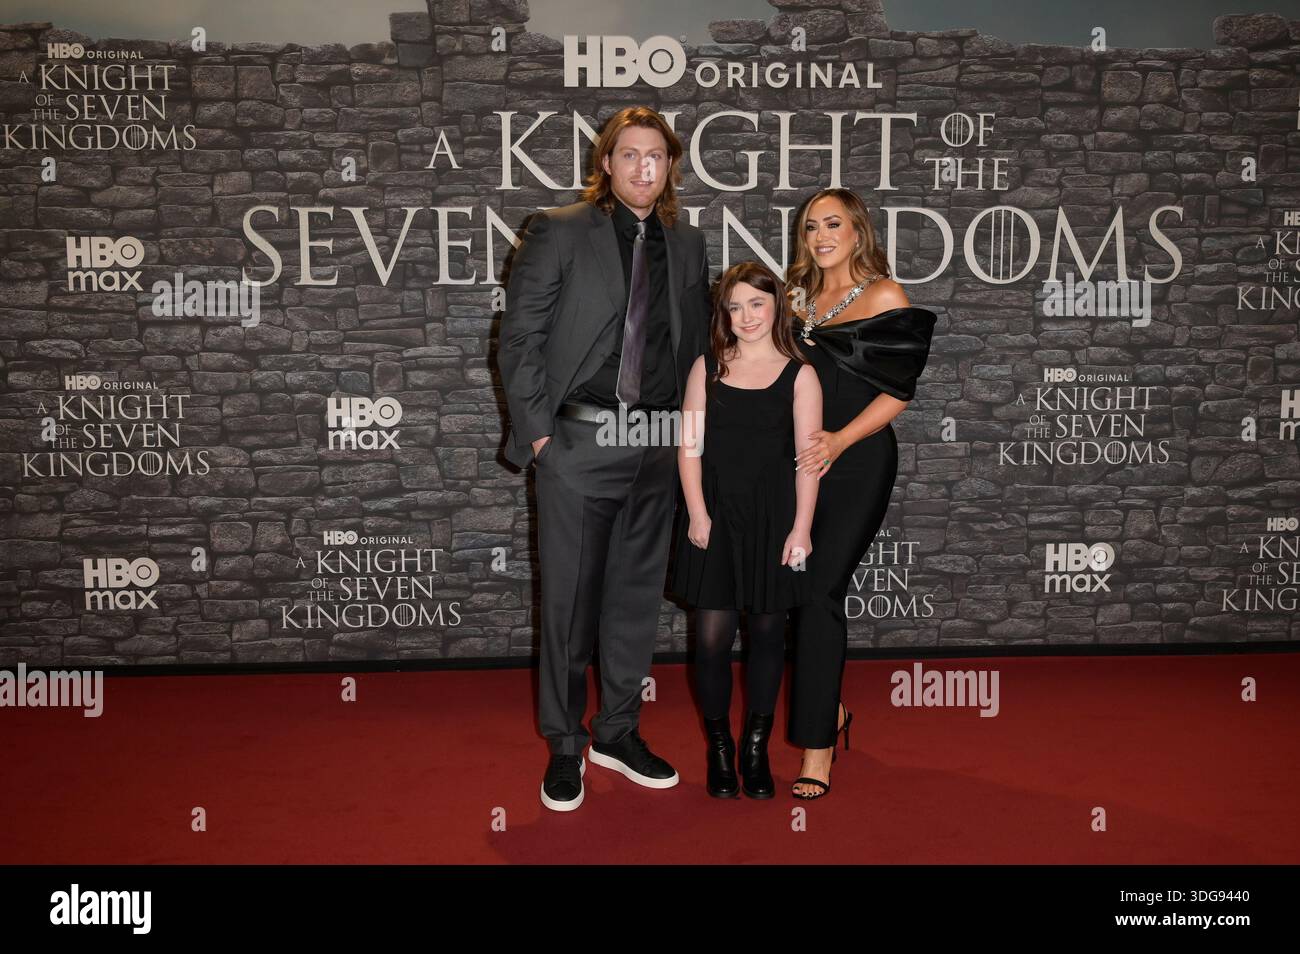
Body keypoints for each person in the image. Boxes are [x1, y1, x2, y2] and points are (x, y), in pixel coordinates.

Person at [498, 106, 713, 812]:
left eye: (656, 156)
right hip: (580, 444)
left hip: (654, 447)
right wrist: (539, 439)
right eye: (629, 155)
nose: (643, 167)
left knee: (632, 604)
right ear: (606, 163)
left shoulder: (687, 242)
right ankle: (564, 747)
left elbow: (692, 353)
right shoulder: (557, 231)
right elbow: (520, 338)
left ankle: (617, 734)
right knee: (568, 605)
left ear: (670, 165)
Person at [785, 188, 937, 799]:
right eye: (811, 226)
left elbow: (898, 393)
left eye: (833, 224)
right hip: (795, 466)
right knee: (795, 593)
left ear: (857, 232)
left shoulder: (884, 296)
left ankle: (817, 749)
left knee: (820, 591)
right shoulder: (794, 298)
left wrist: (839, 441)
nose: (821, 235)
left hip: (855, 461)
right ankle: (833, 709)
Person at [670, 261, 822, 799]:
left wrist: (801, 529)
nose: (745, 316)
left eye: (755, 304)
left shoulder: (800, 374)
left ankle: (754, 748)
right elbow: (689, 445)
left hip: (774, 521)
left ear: (777, 306)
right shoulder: (706, 368)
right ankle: (719, 750)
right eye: (734, 307)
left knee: (765, 638)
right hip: (714, 517)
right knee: (710, 643)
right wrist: (696, 513)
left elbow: (809, 460)